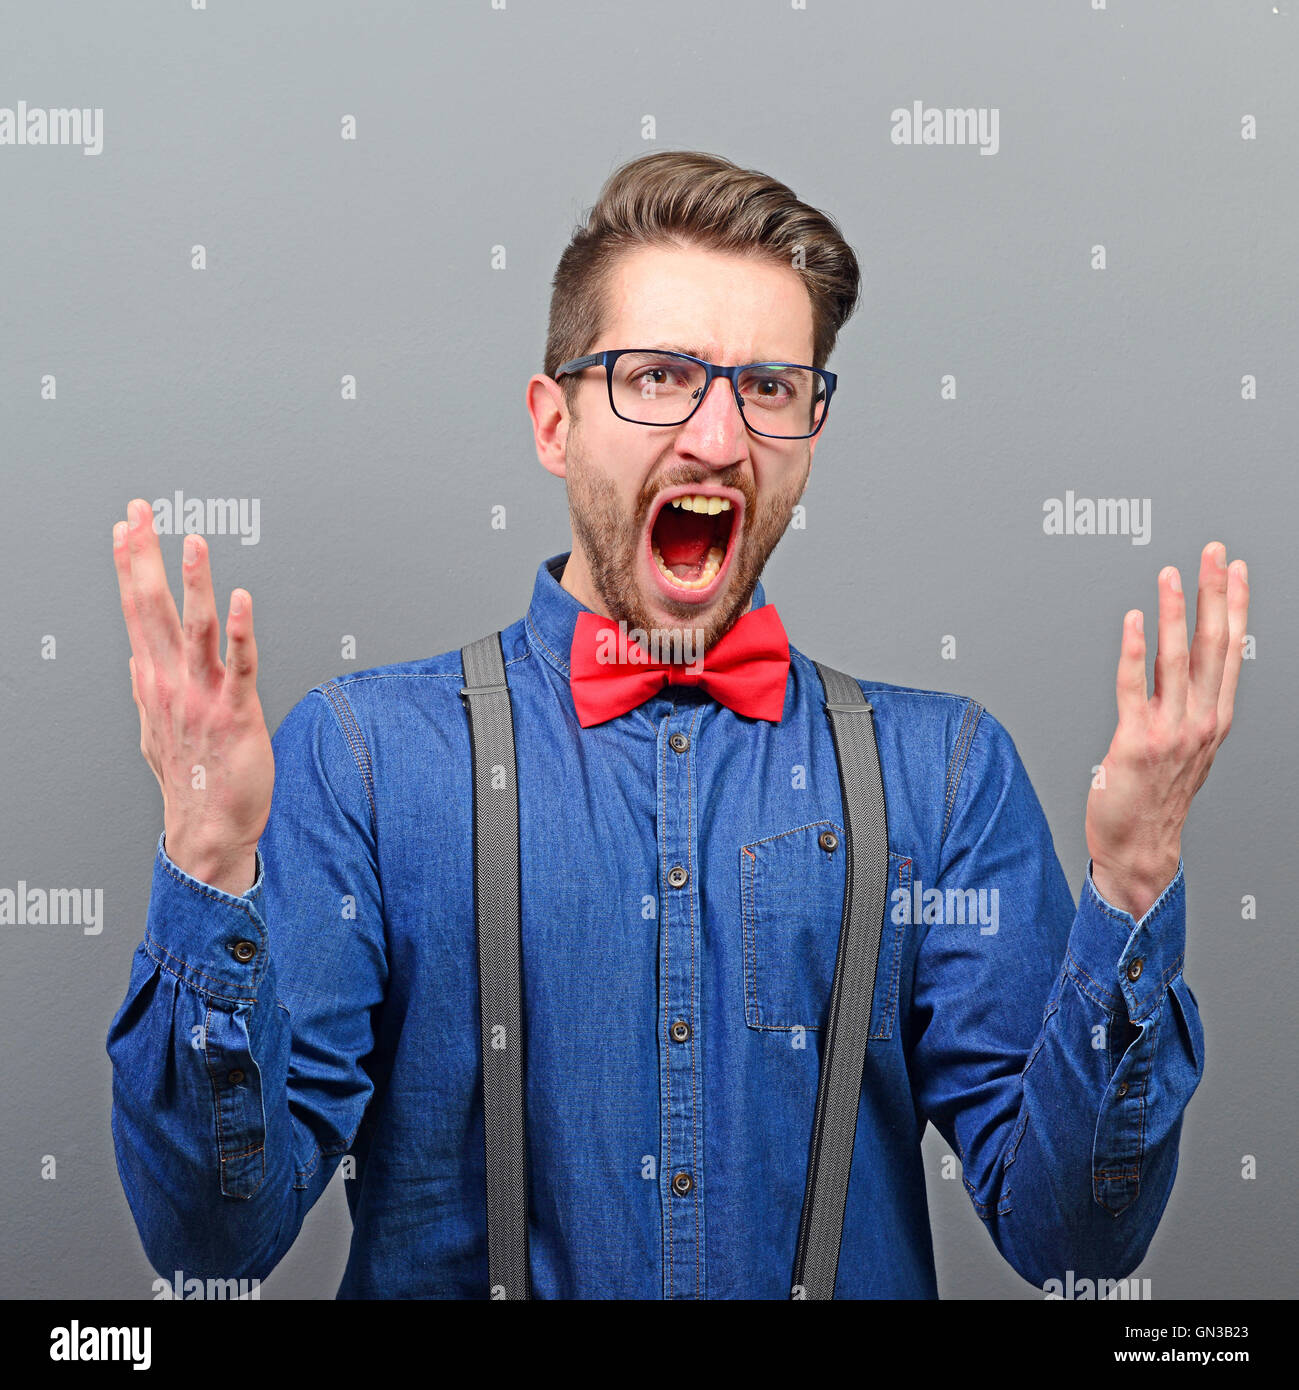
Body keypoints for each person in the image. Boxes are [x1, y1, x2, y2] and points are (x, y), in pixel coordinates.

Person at [107, 150, 1249, 1300]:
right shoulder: (363, 757)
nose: (716, 437)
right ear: (553, 424)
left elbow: (1075, 1242)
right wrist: (209, 864)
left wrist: (1135, 885)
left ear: (809, 432)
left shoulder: (944, 775)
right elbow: (212, 1241)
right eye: (657, 376)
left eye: (768, 386)